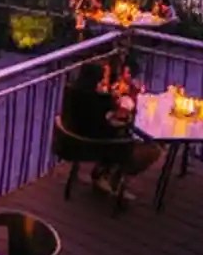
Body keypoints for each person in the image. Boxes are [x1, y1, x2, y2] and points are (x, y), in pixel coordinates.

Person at [61, 61, 160, 194]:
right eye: (104, 79)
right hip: (95, 145)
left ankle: (104, 172)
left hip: (74, 139)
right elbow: (109, 124)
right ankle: (112, 175)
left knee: (124, 135)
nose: (106, 82)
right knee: (153, 149)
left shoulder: (73, 92)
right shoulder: (99, 100)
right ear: (97, 79)